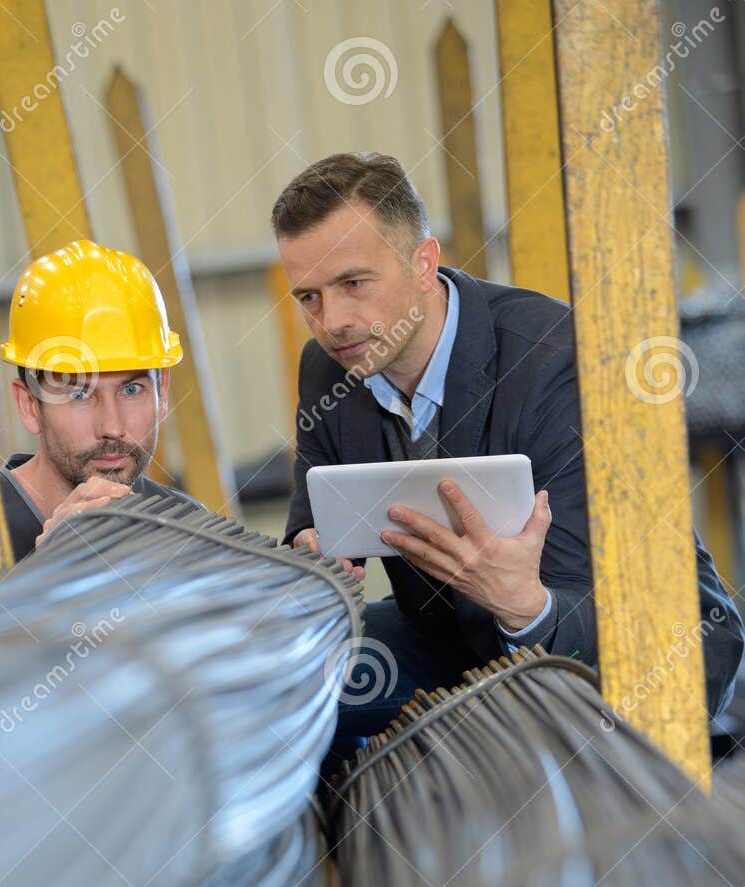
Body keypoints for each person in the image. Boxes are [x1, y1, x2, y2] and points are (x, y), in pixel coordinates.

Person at [272, 152, 743, 731]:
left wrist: (526, 608)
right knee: (288, 695)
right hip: (455, 640)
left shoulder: (557, 362)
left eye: (353, 283)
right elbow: (311, 517)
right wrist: (316, 554)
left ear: (422, 264)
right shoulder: (327, 369)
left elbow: (601, 597)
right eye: (309, 297)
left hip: (628, 647)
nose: (333, 321)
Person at [0, 239, 202, 618]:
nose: (112, 426)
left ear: (162, 392)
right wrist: (49, 572)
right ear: (29, 406)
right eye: (78, 394)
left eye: (132, 389)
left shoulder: (184, 527)